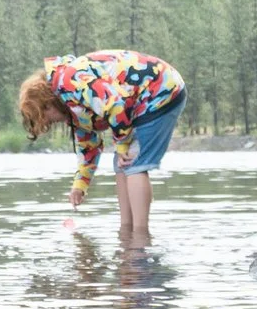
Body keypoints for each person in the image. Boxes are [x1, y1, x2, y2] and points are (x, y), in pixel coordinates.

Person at [18, 51, 186, 250]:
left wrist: (122, 143)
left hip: (160, 91)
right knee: (121, 163)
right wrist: (80, 184)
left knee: (133, 161)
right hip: (141, 101)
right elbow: (89, 146)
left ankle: (140, 238)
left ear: (47, 103)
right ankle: (126, 233)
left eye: (47, 117)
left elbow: (114, 105)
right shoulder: (71, 106)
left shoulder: (71, 81)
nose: (52, 122)